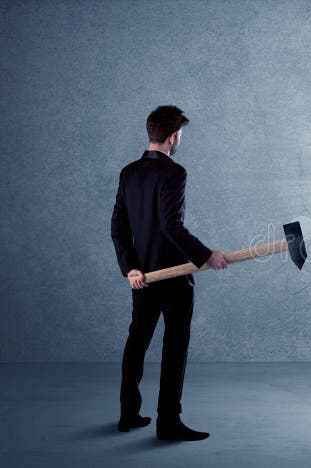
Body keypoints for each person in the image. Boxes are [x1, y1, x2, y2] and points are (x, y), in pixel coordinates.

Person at [111, 105, 228, 441]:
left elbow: (118, 226)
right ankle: (168, 423)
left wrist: (130, 267)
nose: (180, 141)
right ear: (173, 136)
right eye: (181, 136)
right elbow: (170, 226)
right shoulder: (174, 173)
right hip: (173, 275)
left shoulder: (129, 172)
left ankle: (128, 415)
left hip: (142, 276)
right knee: (174, 347)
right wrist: (207, 256)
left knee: (137, 341)